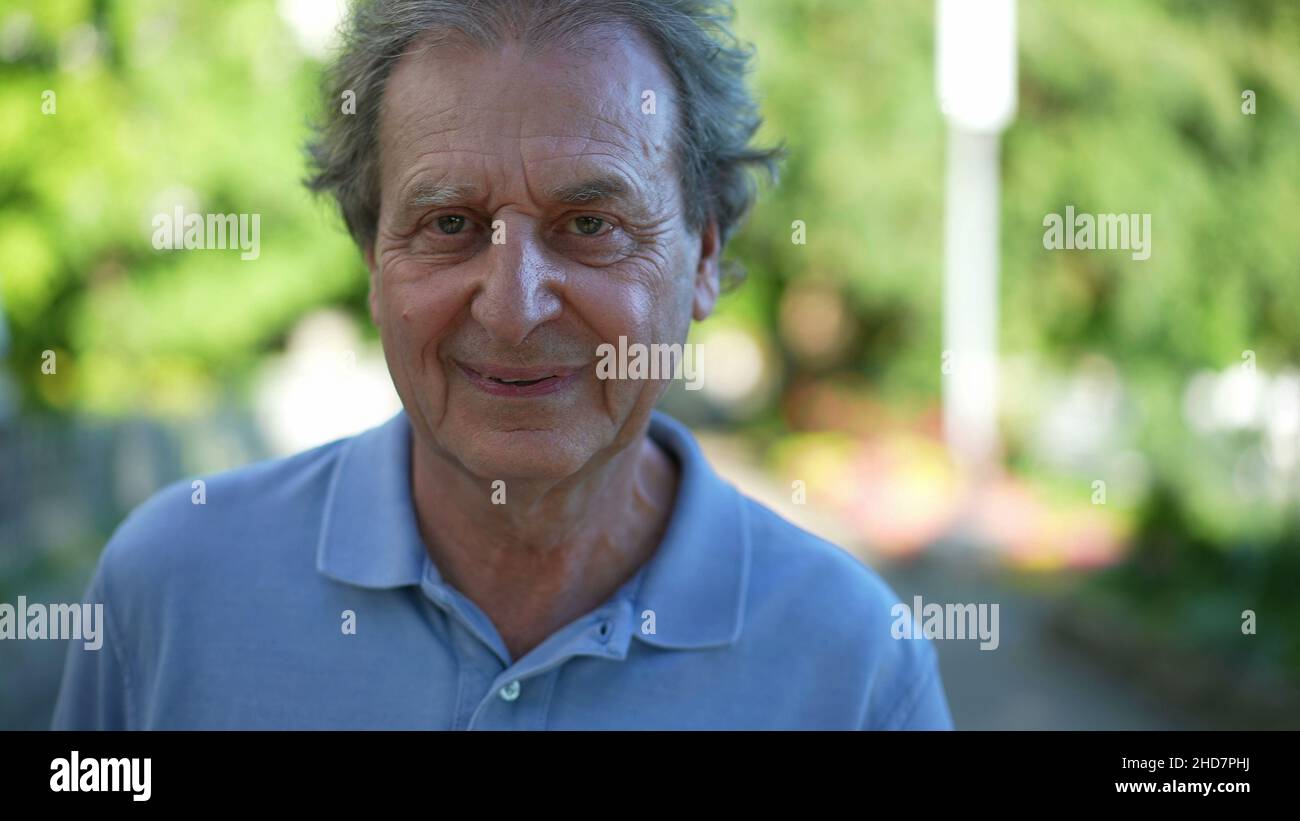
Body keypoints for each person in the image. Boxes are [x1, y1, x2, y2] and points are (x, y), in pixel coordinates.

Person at [52, 0, 952, 730]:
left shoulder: (856, 665)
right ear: (374, 261)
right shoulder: (171, 590)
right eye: (448, 223)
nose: (514, 309)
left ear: (704, 257)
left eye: (591, 225)